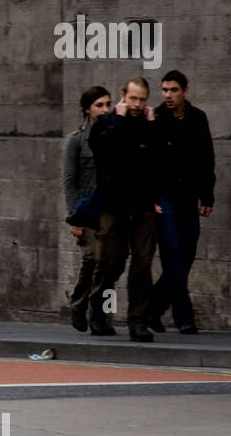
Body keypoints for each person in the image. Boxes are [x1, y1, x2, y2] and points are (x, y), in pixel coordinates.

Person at [88, 77, 162, 341]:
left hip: (142, 207)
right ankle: (98, 311)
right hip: (113, 205)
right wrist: (118, 120)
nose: (137, 105)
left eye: (142, 99)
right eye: (133, 98)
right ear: (123, 96)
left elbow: (159, 160)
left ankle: (137, 321)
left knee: (142, 263)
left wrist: (152, 126)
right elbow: (102, 151)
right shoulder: (107, 122)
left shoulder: (149, 125)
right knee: (111, 263)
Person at [148, 70, 214, 334]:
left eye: (173, 90)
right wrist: (150, 198)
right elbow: (147, 162)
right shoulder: (156, 118)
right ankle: (183, 316)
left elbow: (207, 159)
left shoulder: (197, 118)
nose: (168, 95)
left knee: (186, 254)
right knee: (172, 253)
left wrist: (207, 195)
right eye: (165, 90)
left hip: (189, 196)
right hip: (164, 197)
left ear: (185, 90)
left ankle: (152, 309)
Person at [63, 86, 112, 331]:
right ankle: (79, 303)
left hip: (110, 209)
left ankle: (99, 315)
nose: (104, 109)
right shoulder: (76, 141)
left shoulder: (113, 137)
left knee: (108, 263)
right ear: (87, 109)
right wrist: (75, 217)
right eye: (99, 105)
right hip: (87, 210)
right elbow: (69, 180)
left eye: (108, 105)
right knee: (93, 258)